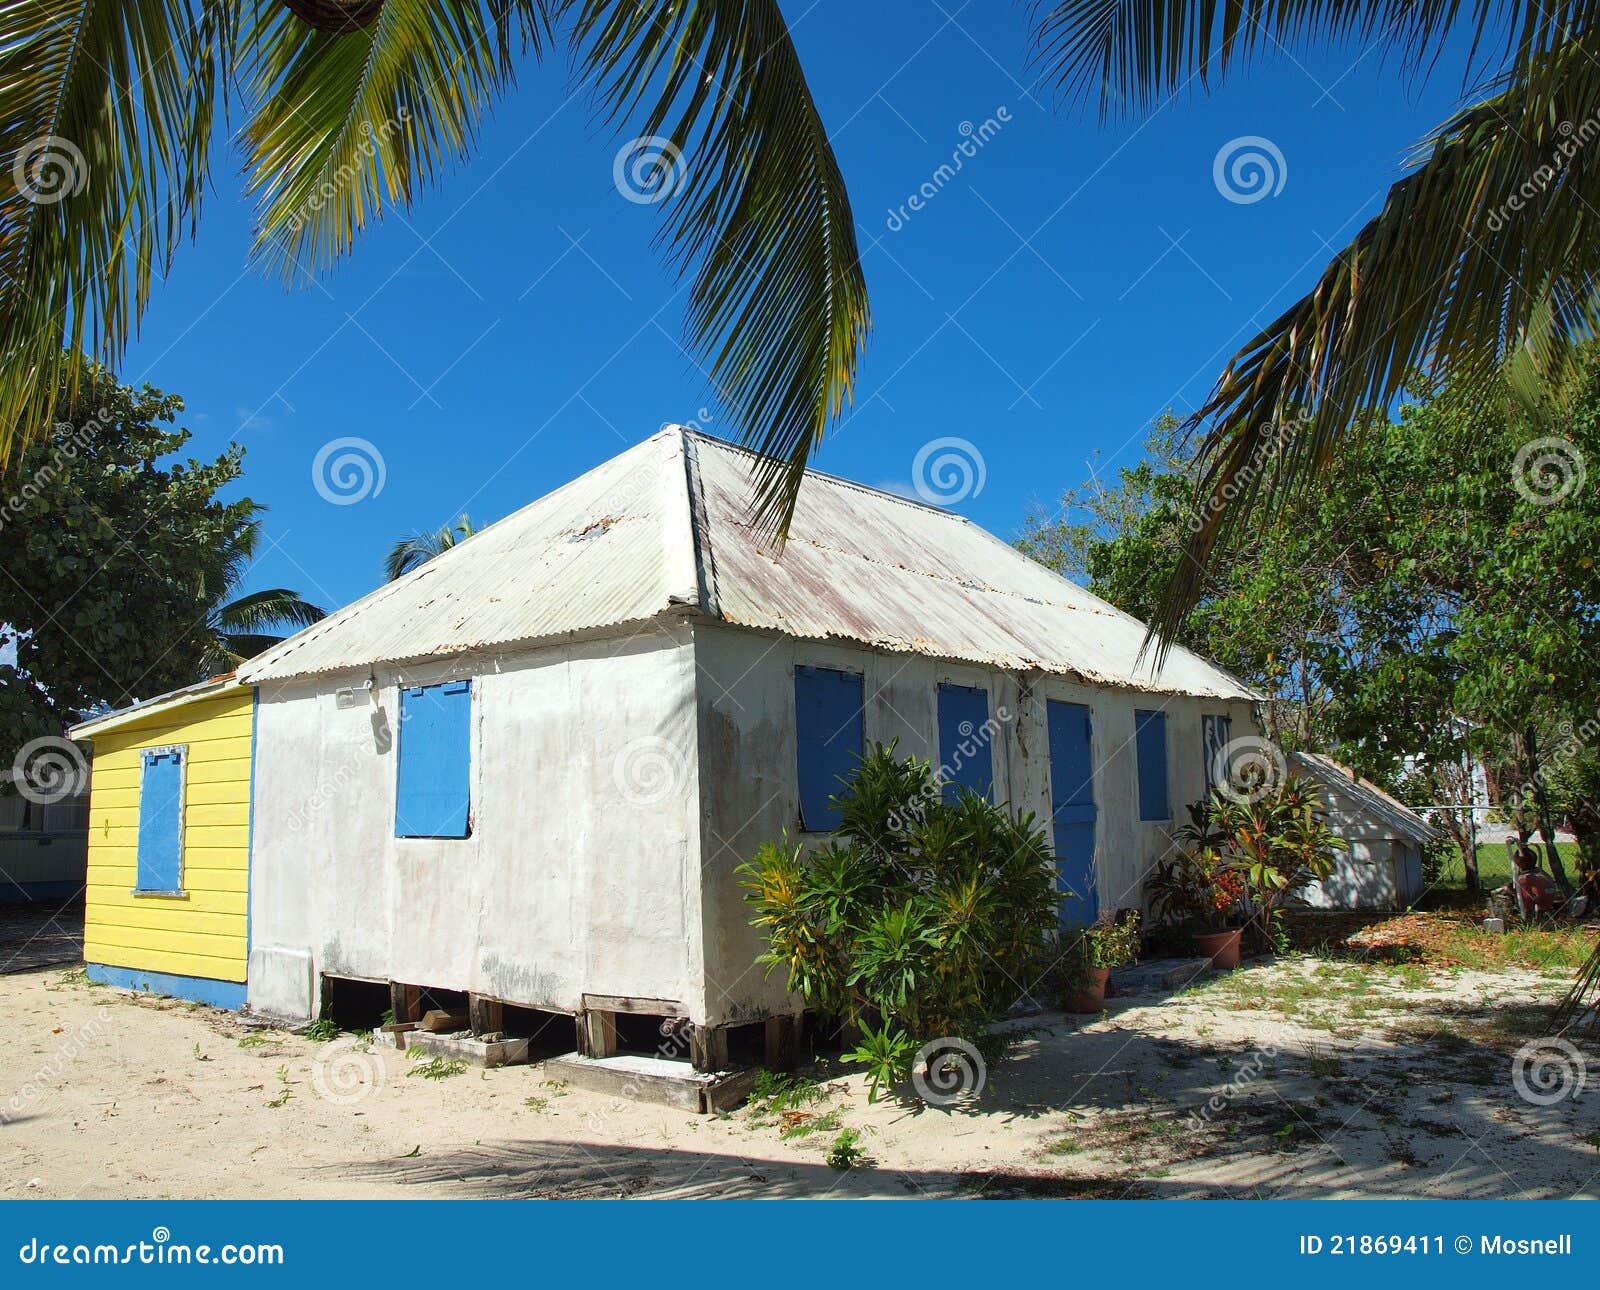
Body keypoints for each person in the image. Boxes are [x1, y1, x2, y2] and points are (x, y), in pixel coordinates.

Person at [1513, 845, 1561, 920]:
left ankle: (1526, 915)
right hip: (1549, 904)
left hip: (1537, 906)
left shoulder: (1525, 878)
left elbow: (1520, 892)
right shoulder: (1542, 873)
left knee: (1514, 891)